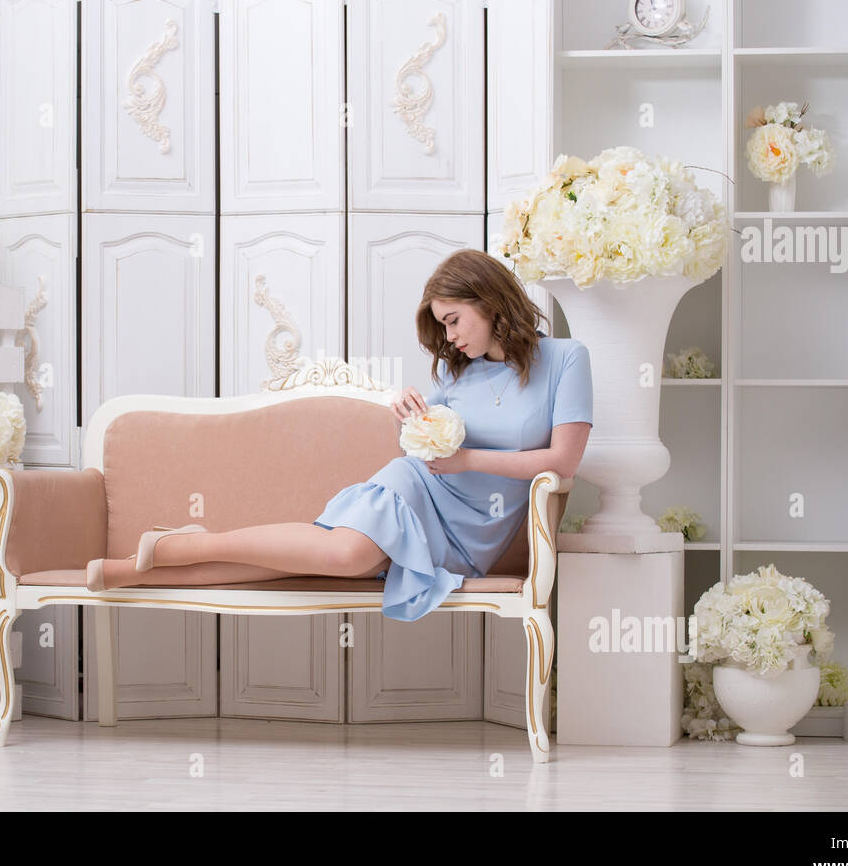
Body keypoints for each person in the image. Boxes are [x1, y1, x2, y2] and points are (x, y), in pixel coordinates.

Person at [127, 248, 593, 621]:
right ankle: (186, 545)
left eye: (453, 320)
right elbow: (424, 447)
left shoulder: (567, 359)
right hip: (418, 489)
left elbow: (563, 461)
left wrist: (468, 460)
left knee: (325, 555)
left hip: (470, 535)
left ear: (489, 300)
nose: (449, 337)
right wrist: (409, 421)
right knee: (345, 553)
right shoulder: (457, 376)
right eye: (442, 325)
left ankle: (182, 544)